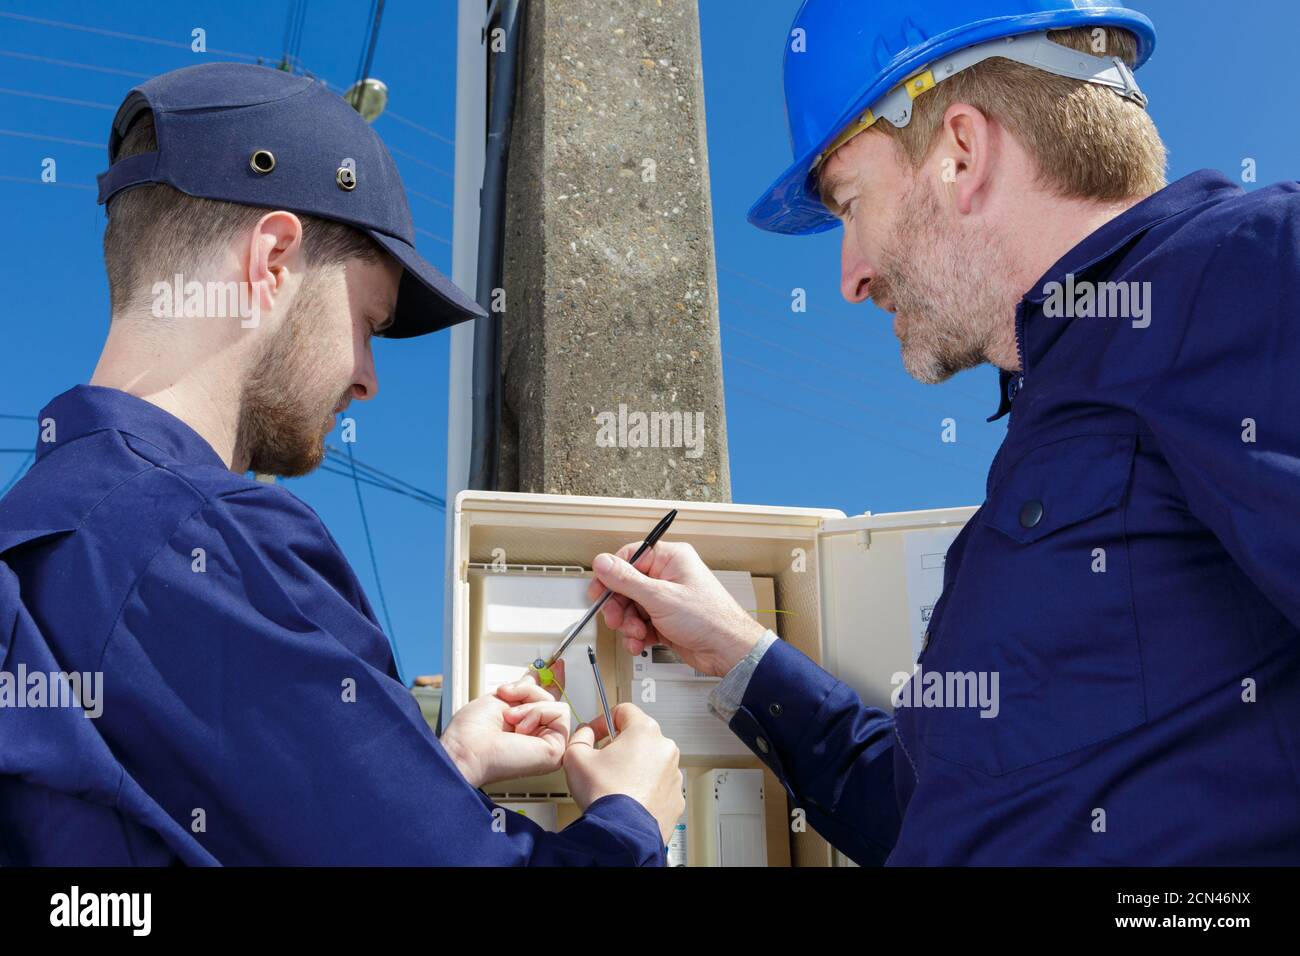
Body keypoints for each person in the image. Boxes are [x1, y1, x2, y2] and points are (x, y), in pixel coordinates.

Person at [587, 0, 1300, 865]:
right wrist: (735, 650)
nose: (850, 278)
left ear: (960, 152)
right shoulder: (1058, 407)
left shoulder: (1256, 266)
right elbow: (931, 816)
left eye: (849, 206)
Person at [0, 62, 682, 865]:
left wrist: (432, 770)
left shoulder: (48, 527)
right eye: (368, 319)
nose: (367, 375)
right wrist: (632, 819)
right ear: (274, 260)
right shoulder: (205, 541)